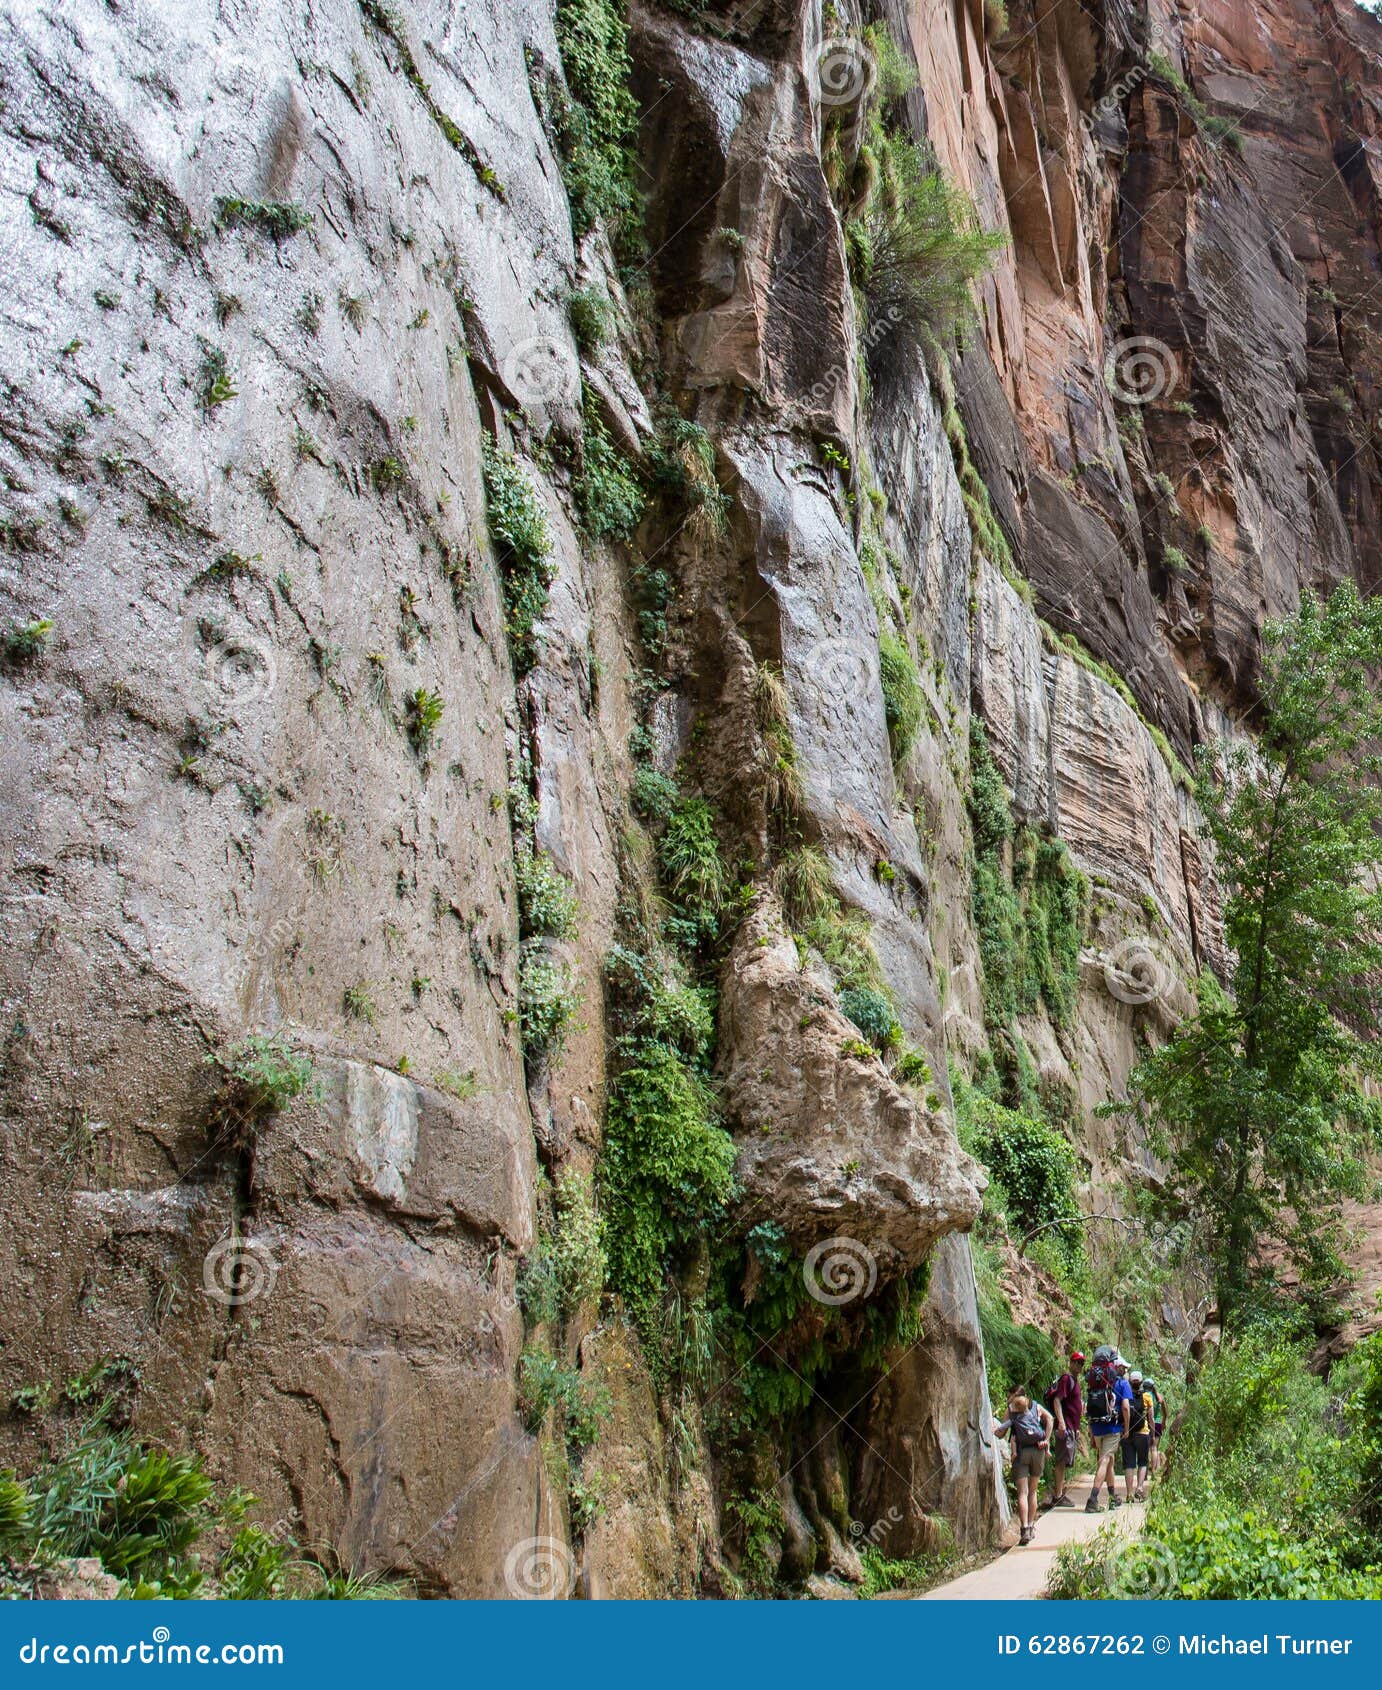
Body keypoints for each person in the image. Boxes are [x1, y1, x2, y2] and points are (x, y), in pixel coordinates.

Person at [995, 1391, 1054, 1545]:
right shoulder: (1036, 1408)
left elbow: (1000, 1433)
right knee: (1033, 1491)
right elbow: (1050, 1419)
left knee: (1022, 1492)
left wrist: (993, 1429)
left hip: (1021, 1452)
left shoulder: (1012, 1413)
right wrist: (1046, 1440)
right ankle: (1032, 1526)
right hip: (1038, 1451)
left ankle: (1024, 1529)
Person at [1084, 1347, 1132, 1513]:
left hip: (1097, 1426)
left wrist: (1091, 1432)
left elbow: (1089, 1407)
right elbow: (1125, 1407)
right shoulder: (1121, 1384)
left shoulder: (1093, 1381)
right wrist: (1126, 1428)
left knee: (1109, 1461)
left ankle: (1112, 1497)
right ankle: (1093, 1498)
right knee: (1105, 1460)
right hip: (1112, 1427)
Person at [1041, 1350, 1085, 1509]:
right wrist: (1061, 1422)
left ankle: (1060, 1492)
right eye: (1077, 1362)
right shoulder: (1067, 1379)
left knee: (1065, 1460)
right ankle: (1058, 1496)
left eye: (1081, 1363)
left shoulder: (1074, 1381)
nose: (1079, 1365)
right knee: (1061, 1460)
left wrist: (1077, 1428)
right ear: (1071, 1362)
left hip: (1071, 1427)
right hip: (1065, 1426)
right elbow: (1058, 1401)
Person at [1122, 1368, 1153, 1502]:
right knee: (1143, 1461)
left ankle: (1129, 1493)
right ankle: (1139, 1488)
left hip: (1127, 1433)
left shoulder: (1125, 1395)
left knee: (1129, 1464)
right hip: (1143, 1432)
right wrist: (1152, 1432)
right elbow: (1150, 1417)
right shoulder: (1147, 1396)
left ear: (1130, 1382)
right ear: (1141, 1382)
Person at [1142, 1375, 1167, 1472]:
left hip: (1145, 1424)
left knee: (1145, 1448)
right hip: (1157, 1424)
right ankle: (1153, 1471)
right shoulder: (1159, 1397)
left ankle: (1144, 1470)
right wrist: (1164, 1420)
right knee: (1154, 1448)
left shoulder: (1143, 1396)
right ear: (1153, 1387)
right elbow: (1165, 1410)